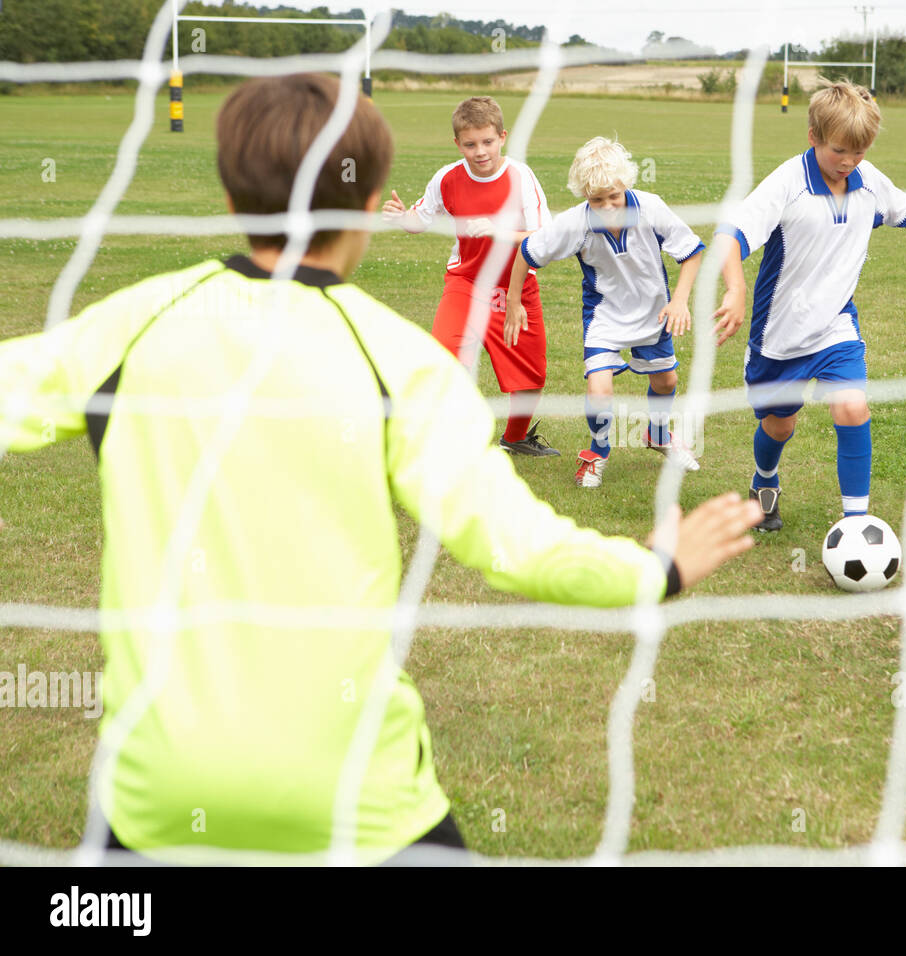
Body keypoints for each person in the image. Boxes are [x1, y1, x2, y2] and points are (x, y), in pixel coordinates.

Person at [0, 73, 761, 864]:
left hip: (157, 795)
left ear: (230, 201)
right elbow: (518, 544)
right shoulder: (403, 362)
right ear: (366, 209)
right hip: (357, 796)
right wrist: (656, 570)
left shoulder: (131, 325)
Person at [712, 81, 906, 531]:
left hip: (835, 327)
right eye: (839, 151)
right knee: (779, 427)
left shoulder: (869, 182)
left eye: (859, 153)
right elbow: (730, 234)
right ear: (813, 136)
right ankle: (765, 479)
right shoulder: (788, 183)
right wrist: (736, 290)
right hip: (778, 335)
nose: (848, 162)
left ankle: (855, 524)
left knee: (851, 406)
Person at [504, 136, 705, 489]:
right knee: (599, 389)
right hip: (605, 318)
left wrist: (680, 301)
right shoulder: (575, 223)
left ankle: (657, 435)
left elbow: (691, 252)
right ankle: (597, 454)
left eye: (614, 196)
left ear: (626, 183)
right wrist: (513, 300)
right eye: (597, 200)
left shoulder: (650, 208)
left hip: (653, 313)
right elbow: (528, 251)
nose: (608, 205)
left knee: (667, 381)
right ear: (584, 196)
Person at [383, 95, 558, 456]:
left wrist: (497, 231)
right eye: (470, 144)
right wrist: (403, 218)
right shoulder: (447, 177)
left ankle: (515, 439)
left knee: (532, 374)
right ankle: (443, 439)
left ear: (503, 137)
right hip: (465, 284)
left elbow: (545, 240)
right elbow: (422, 219)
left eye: (488, 142)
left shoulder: (521, 177)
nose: (480, 151)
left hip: (515, 287)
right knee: (446, 359)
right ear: (457, 144)